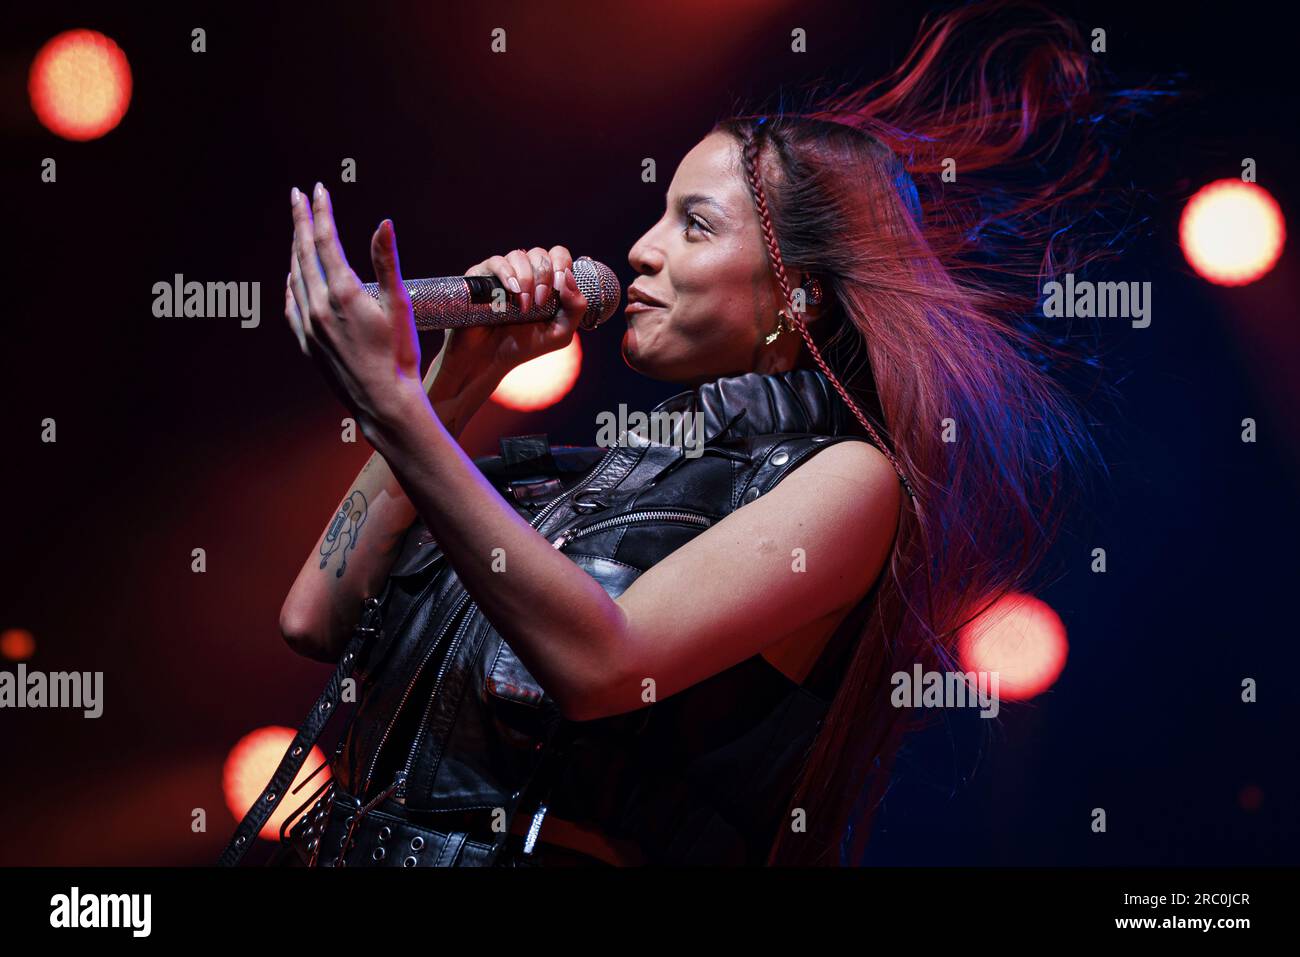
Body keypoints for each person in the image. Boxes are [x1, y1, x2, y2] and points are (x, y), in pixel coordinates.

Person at [227, 0, 1152, 868]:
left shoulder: (846, 482)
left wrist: (396, 412)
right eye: (661, 213)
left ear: (798, 296)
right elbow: (314, 616)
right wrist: (452, 384)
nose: (641, 248)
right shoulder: (573, 477)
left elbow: (605, 662)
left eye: (695, 224)